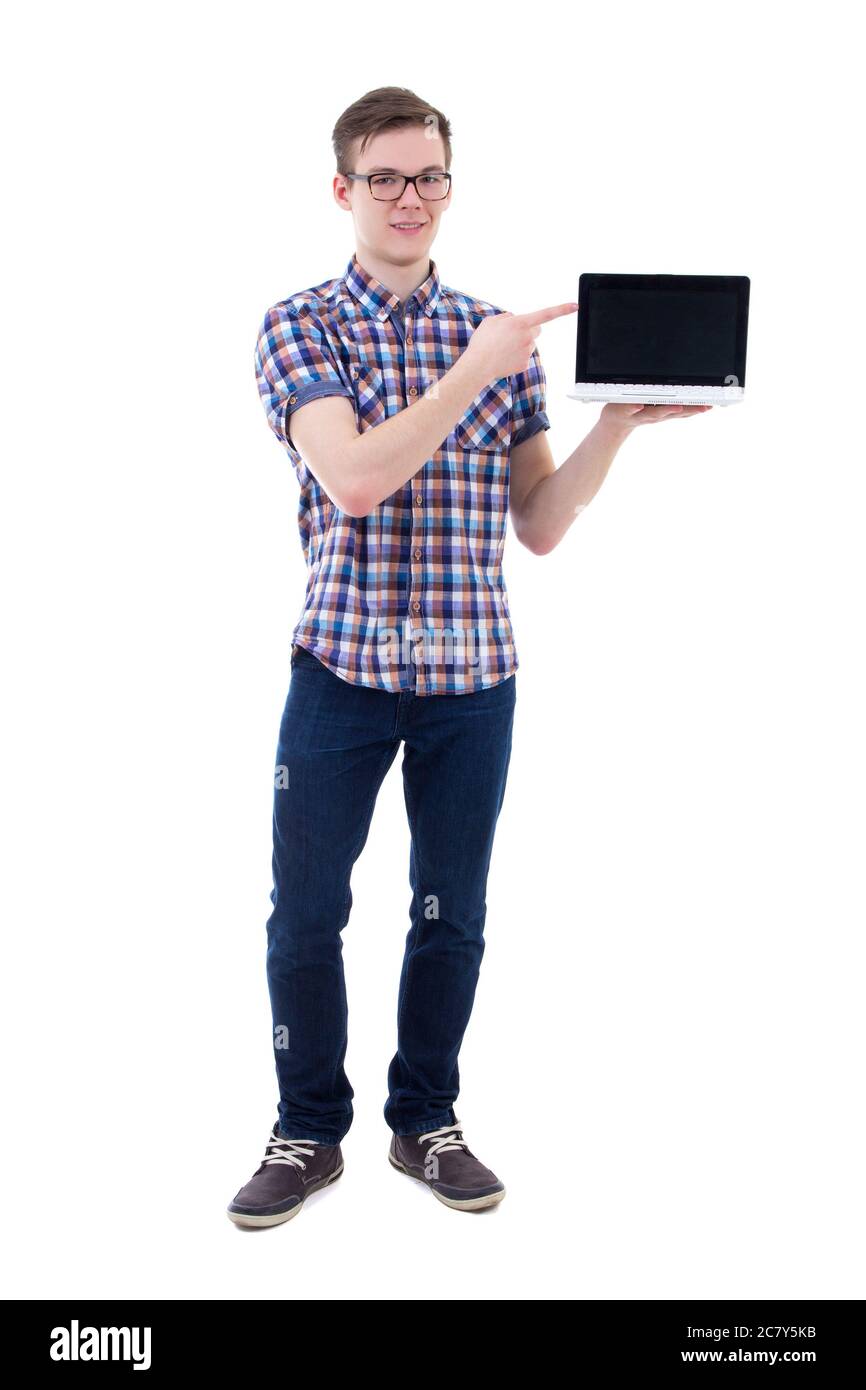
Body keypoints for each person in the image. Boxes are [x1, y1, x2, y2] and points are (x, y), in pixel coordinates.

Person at [227, 86, 712, 1228]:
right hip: (340, 672)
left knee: (451, 913)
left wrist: (612, 427)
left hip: (470, 680)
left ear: (450, 184)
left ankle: (423, 1120)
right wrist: (476, 365)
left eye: (429, 175)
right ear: (342, 190)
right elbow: (353, 476)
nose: (410, 197)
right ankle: (306, 1131)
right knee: (305, 913)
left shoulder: (496, 335)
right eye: (386, 177)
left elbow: (537, 524)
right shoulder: (301, 324)